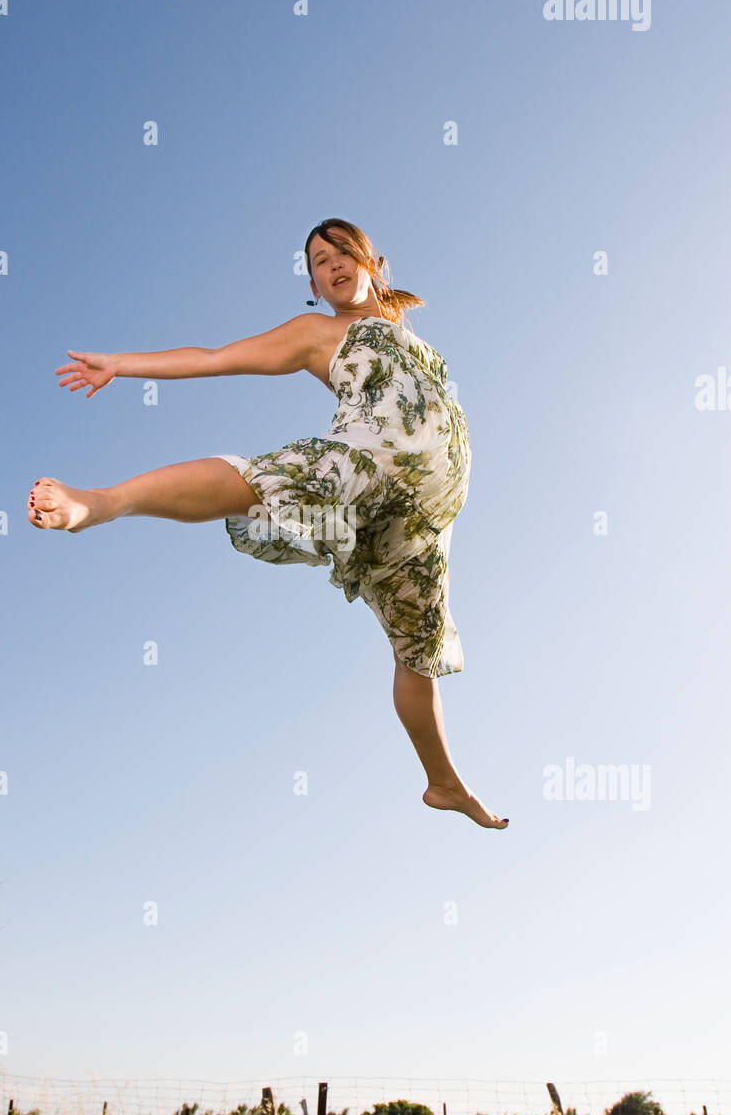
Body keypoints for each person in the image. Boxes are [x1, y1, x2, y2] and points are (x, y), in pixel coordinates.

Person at [28, 217, 508, 830]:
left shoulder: (415, 344)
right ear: (312, 284)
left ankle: (443, 783)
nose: (331, 263)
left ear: (373, 261)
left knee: (418, 652)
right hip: (363, 468)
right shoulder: (319, 333)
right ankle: (102, 502)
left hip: (421, 522)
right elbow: (215, 357)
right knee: (272, 479)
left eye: (341, 251)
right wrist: (119, 364)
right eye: (317, 261)